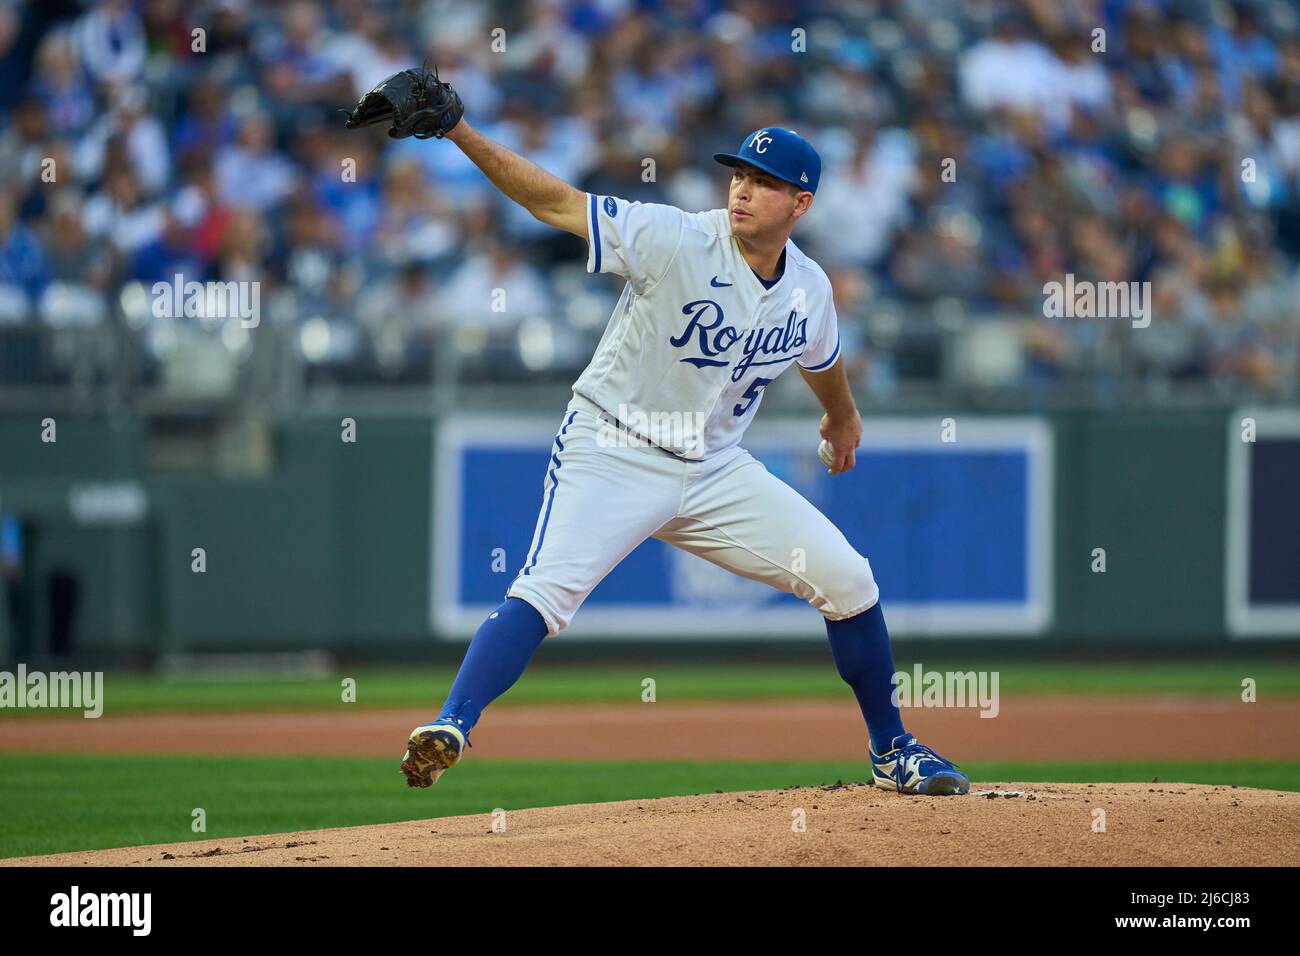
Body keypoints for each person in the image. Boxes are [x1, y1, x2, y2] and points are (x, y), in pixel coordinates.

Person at [370, 83, 970, 796]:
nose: (743, 190)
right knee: (547, 591)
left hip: (714, 468)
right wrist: (459, 130)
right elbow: (554, 203)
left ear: (801, 204)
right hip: (614, 448)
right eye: (740, 174)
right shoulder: (677, 238)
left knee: (849, 580)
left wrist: (841, 417)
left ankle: (892, 751)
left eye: (765, 183)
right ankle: (452, 725)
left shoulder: (809, 287)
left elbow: (823, 357)